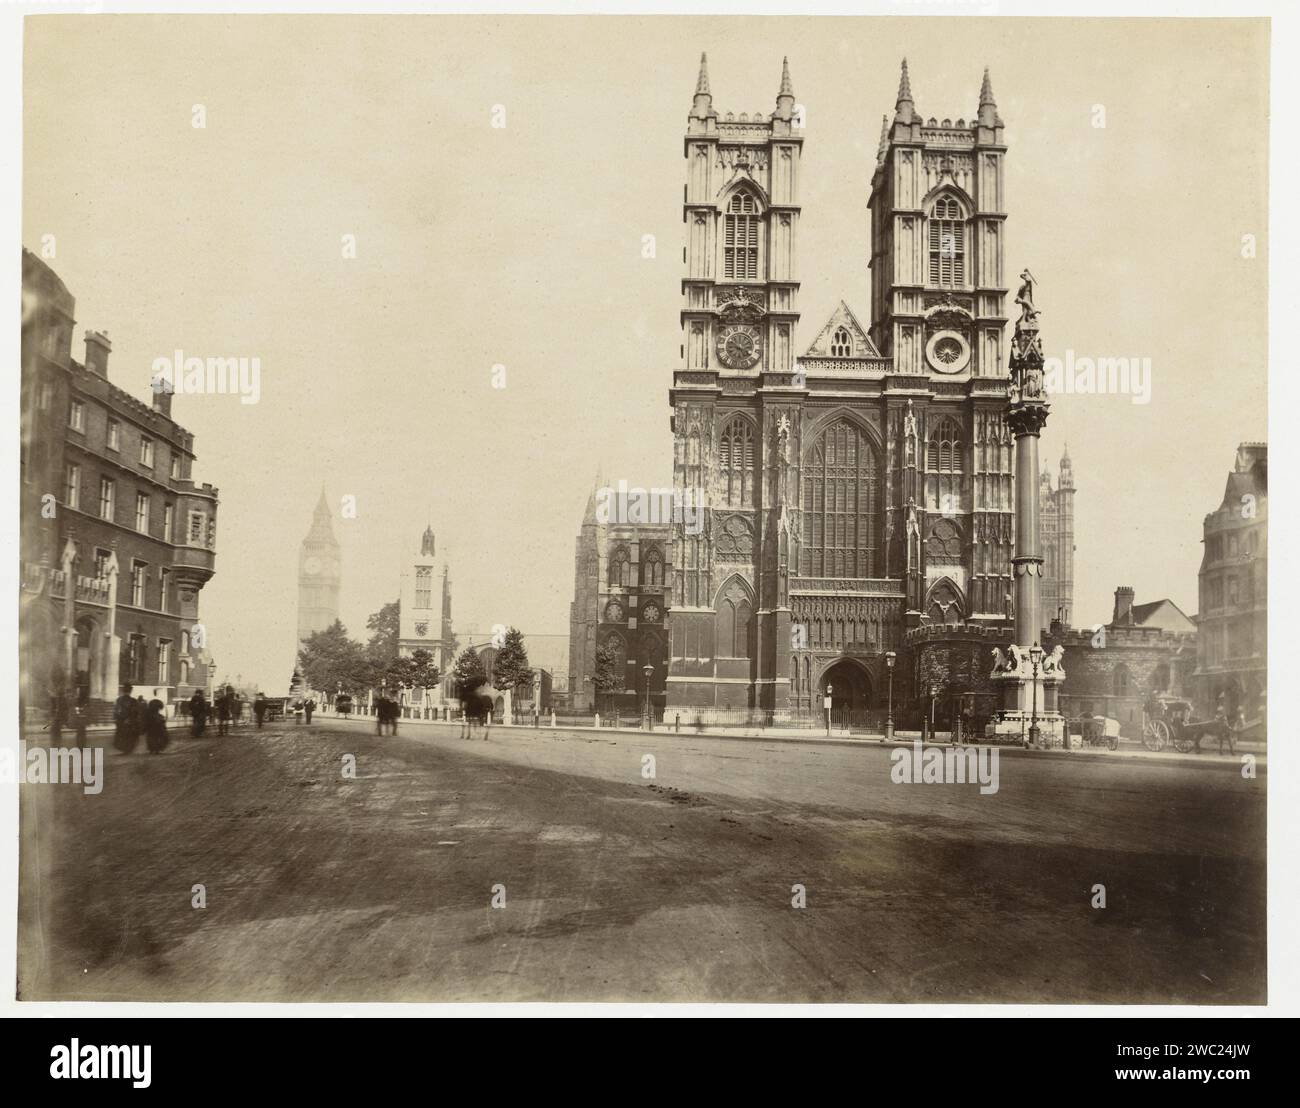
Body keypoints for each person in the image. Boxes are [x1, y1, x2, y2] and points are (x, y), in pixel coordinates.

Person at [113, 683, 140, 754]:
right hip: (130, 721)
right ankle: (128, 749)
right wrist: (130, 719)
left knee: (122, 735)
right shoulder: (133, 701)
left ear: (123, 690)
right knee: (129, 735)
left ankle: (125, 749)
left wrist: (118, 719)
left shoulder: (119, 700)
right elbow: (135, 712)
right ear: (130, 691)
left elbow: (116, 711)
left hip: (121, 721)